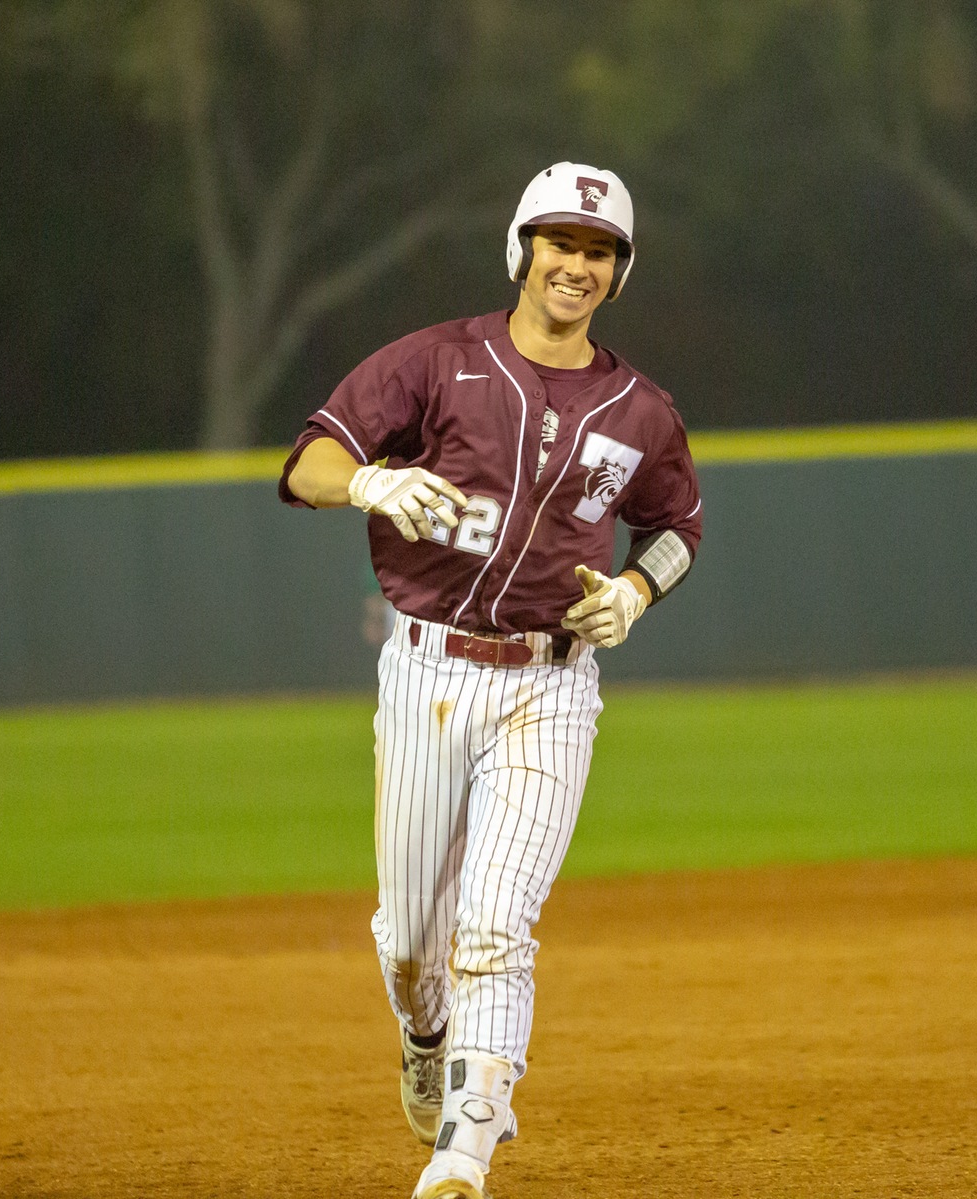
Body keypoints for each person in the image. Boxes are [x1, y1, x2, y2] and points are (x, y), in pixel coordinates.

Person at [280, 162, 702, 1199]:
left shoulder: (640, 407)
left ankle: (464, 1149)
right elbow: (308, 463)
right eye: (560, 242)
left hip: (552, 683)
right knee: (411, 943)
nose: (576, 264)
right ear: (524, 249)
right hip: (426, 670)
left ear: (619, 271)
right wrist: (370, 479)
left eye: (598, 251)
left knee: (495, 920)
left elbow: (678, 524)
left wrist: (638, 594)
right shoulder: (437, 361)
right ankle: (425, 1037)